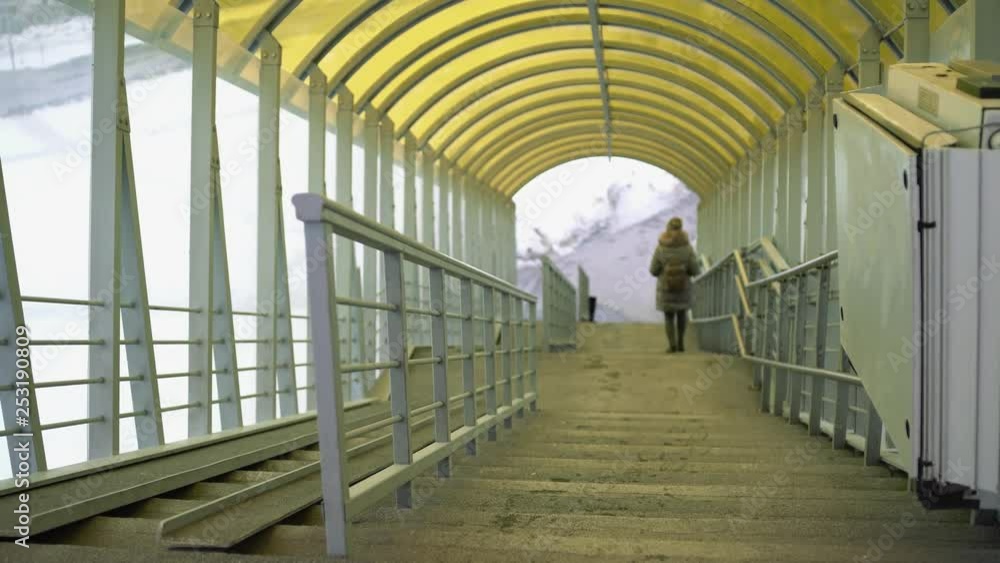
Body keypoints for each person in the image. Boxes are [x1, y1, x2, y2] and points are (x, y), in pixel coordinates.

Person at [649, 217, 701, 353]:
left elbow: (653, 270)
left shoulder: (660, 248)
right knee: (682, 314)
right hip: (683, 288)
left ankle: (672, 345)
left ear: (668, 228)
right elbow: (695, 270)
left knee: (669, 316)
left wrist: (664, 270)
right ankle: (681, 343)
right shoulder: (688, 248)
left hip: (666, 288)